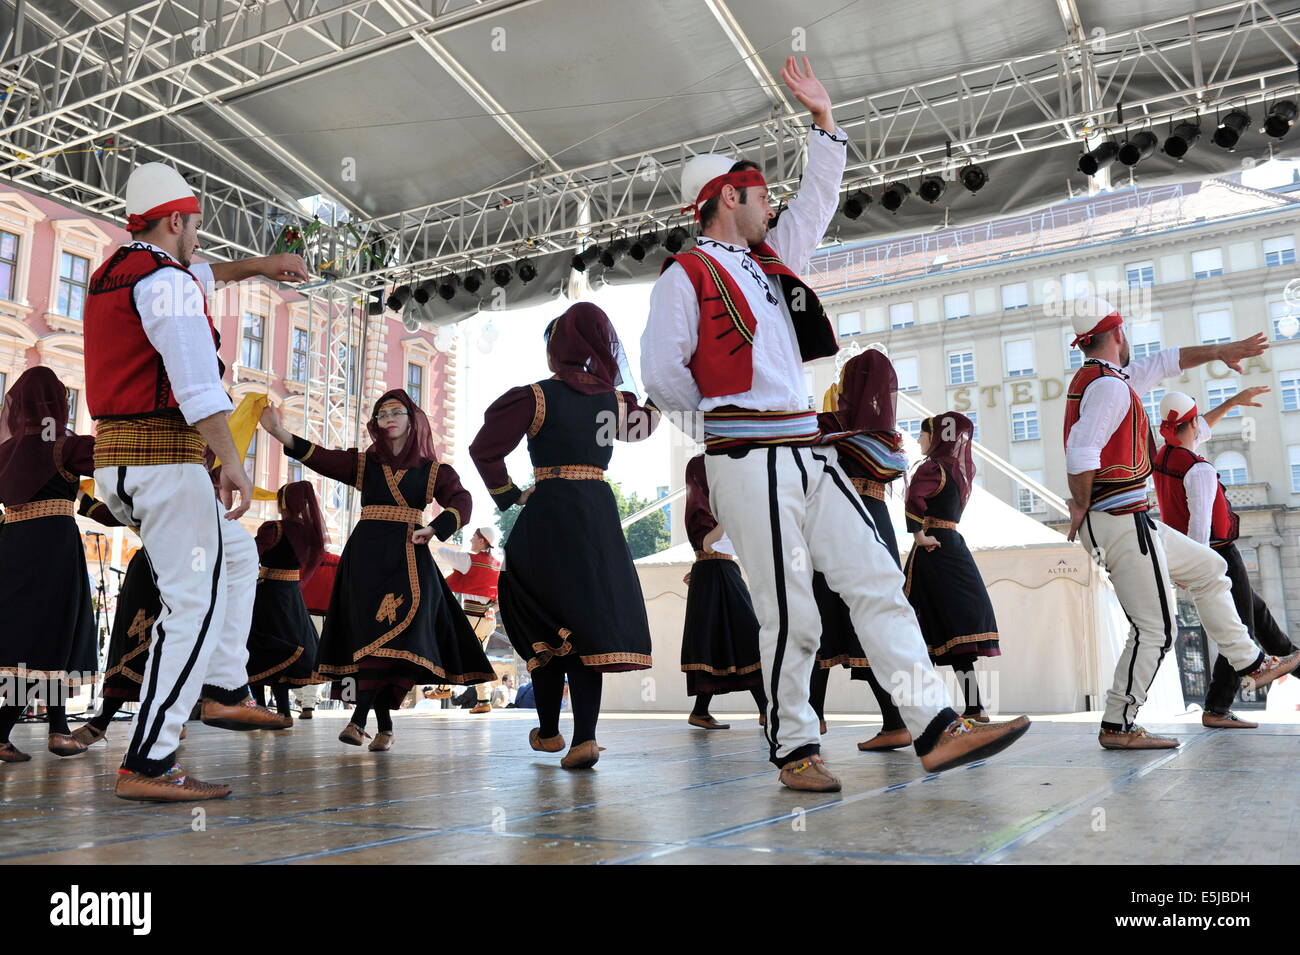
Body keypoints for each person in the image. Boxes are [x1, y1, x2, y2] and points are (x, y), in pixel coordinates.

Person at [641, 57, 1030, 792]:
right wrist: (724, 434)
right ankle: (794, 746)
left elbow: (815, 203)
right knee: (791, 609)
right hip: (749, 456)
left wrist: (825, 123)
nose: (770, 205)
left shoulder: (767, 262)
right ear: (727, 196)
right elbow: (661, 375)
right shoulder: (683, 276)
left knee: (877, 576)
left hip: (805, 452)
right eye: (758, 194)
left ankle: (937, 727)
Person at [84, 162, 305, 800]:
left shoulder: (118, 273)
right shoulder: (167, 282)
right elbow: (195, 380)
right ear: (176, 219)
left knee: (234, 555)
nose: (200, 241)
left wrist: (259, 265)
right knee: (190, 606)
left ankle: (225, 686)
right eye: (196, 226)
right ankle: (148, 762)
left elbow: (203, 275)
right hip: (165, 465)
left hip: (121, 466)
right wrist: (231, 464)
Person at [1063, 299, 1299, 749]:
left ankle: (1252, 663)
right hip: (1118, 518)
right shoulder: (1111, 387)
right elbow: (1081, 451)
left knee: (1210, 569)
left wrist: (1220, 351)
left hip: (1131, 518)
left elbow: (1168, 361)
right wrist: (1080, 504)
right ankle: (1119, 724)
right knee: (1155, 630)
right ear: (1117, 335)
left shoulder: (1110, 378)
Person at [470, 302, 659, 770]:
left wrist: (511, 494)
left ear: (557, 347)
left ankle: (551, 730)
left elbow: (483, 448)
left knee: (538, 616)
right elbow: (644, 427)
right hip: (596, 515)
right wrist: (662, 383)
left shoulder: (536, 396)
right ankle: (585, 738)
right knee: (588, 622)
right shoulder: (615, 401)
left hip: (550, 510)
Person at [260, 389, 495, 752]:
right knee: (371, 637)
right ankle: (382, 727)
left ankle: (358, 722)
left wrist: (437, 528)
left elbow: (462, 500)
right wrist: (279, 432)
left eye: (396, 411)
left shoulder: (435, 471)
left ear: (413, 420)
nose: (387, 417)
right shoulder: (364, 464)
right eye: (381, 412)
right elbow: (322, 458)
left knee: (399, 638)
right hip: (366, 558)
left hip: (409, 555)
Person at [1152, 388, 1298, 728]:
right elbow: (1200, 527)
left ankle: (1291, 658)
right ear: (1192, 426)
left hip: (1191, 549)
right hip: (1217, 553)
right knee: (1241, 628)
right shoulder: (1198, 468)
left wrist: (1232, 402)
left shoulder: (1164, 456)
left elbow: (1199, 424)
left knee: (1257, 613)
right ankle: (1217, 708)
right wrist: (1197, 570)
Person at [0, 368, 99, 762]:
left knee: (29, 639)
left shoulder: (4, 452)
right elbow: (116, 465)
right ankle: (50, 731)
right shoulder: (65, 445)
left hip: (11, 544)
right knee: (55, 633)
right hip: (53, 544)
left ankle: (56, 729)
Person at [815, 350, 912, 750]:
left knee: (818, 617)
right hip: (877, 523)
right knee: (871, 620)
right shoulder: (890, 442)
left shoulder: (830, 429)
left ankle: (809, 717)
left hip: (841, 522)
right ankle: (894, 721)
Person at [904, 413, 1000, 721]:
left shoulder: (932, 468)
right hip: (955, 546)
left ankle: (923, 708)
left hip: (932, 549)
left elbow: (914, 498)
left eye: (922, 435)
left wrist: (918, 534)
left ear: (935, 437)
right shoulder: (960, 471)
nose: (918, 440)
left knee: (918, 626)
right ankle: (974, 706)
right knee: (956, 631)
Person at [679, 454, 767, 729]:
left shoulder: (714, 497)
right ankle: (765, 708)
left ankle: (702, 711)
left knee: (722, 637)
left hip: (720, 571)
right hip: (716, 571)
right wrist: (733, 510)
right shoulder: (702, 507)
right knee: (742, 635)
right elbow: (708, 544)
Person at [246, 482, 328, 722]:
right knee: (285, 648)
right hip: (292, 596)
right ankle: (283, 710)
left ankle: (260, 708)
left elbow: (251, 554)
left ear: (282, 502)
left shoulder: (273, 528)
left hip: (268, 594)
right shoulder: (311, 534)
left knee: (259, 647)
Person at [437, 525, 503, 713]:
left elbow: (442, 551)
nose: (471, 540)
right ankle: (484, 700)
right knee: (479, 657)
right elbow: (501, 598)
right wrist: (491, 609)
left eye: (474, 537)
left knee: (451, 648)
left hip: (471, 618)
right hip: (488, 619)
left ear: (482, 541)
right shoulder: (498, 564)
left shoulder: (468, 560)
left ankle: (444, 688)